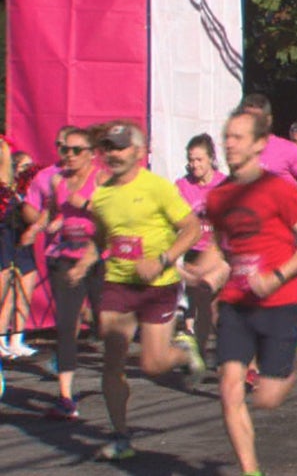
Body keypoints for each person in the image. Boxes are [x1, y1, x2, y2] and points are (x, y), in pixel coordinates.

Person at [184, 109, 297, 476]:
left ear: (259, 144)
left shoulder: (277, 189)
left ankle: (296, 349)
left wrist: (277, 276)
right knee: (229, 389)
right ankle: (250, 471)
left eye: (239, 137)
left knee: (266, 399)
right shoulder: (219, 197)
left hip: (278, 303)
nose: (229, 144)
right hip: (236, 304)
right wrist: (200, 271)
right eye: (227, 137)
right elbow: (222, 245)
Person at [79, 122, 204, 460]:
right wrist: (87, 265)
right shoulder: (102, 196)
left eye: (120, 147)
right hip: (118, 282)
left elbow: (191, 229)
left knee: (152, 365)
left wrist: (163, 259)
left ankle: (181, 352)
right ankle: (121, 436)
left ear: (137, 152)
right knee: (112, 356)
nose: (114, 154)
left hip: (158, 285)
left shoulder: (158, 188)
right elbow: (101, 238)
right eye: (108, 147)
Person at [23, 128, 107, 418]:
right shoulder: (57, 180)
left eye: (76, 150)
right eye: (64, 150)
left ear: (91, 153)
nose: (68, 155)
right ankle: (65, 397)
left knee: (104, 323)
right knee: (65, 326)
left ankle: (112, 376)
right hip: (64, 259)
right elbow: (50, 212)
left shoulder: (100, 179)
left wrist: (82, 203)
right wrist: (40, 228)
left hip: (97, 258)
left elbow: (112, 216)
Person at [237, 94, 297, 365]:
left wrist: (279, 198)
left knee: (294, 291)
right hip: (254, 233)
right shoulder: (238, 149)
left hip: (290, 229)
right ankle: (253, 363)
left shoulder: (286, 150)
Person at [174, 134, 227, 360]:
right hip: (194, 252)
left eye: (199, 160)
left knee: (214, 307)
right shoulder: (182, 185)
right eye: (191, 160)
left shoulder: (223, 183)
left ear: (211, 159)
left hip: (218, 253)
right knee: (201, 307)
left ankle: (232, 355)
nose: (194, 165)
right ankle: (202, 353)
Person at [0, 141, 39, 360]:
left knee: (22, 293)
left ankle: (17, 338)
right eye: (24, 166)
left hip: (23, 247)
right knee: (6, 294)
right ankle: (2, 338)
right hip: (7, 244)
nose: (27, 170)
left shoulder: (26, 193)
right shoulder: (7, 191)